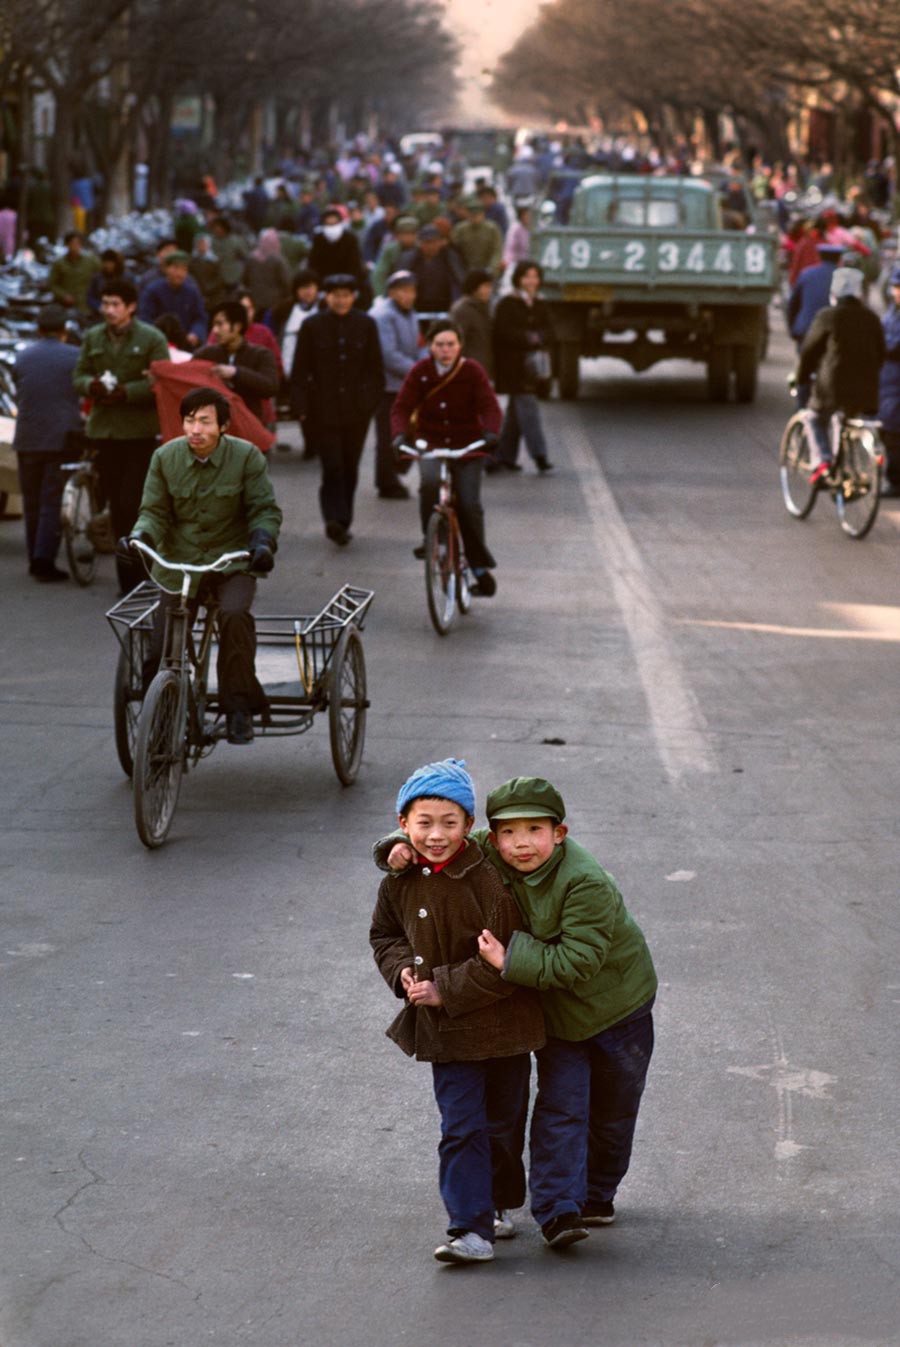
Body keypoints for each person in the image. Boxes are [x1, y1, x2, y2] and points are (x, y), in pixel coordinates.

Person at [376, 775, 658, 1249]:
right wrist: (396, 846)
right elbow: (440, 836)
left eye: (534, 830)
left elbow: (577, 962)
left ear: (559, 834)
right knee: (561, 1108)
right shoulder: (488, 850)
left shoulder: (584, 882)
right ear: (491, 833)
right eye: (507, 831)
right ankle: (557, 1212)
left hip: (615, 1008)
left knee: (612, 1112)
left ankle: (596, 1193)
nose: (520, 843)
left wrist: (510, 960)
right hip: (553, 1014)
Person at [369, 759, 545, 1265]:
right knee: (461, 1126)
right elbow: (385, 935)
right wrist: (402, 971)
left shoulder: (490, 882)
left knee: (505, 1124)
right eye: (424, 823)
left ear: (471, 827)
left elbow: (507, 957)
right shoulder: (398, 882)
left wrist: (445, 987)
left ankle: (499, 1201)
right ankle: (470, 1225)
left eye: (450, 823)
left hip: (505, 1028)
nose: (436, 834)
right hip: (447, 1035)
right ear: (403, 824)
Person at [123, 386, 282, 745]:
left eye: (205, 422)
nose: (195, 429)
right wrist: (141, 537)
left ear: (223, 426)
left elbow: (264, 508)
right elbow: (154, 512)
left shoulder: (247, 457)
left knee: (234, 615)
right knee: (162, 638)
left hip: (232, 562)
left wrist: (262, 541)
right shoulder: (165, 458)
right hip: (179, 565)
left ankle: (238, 706)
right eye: (189, 421)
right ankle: (156, 709)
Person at [391, 319, 501, 597]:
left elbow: (490, 406)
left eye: (451, 344)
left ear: (460, 346)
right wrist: (399, 435)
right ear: (430, 346)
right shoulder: (420, 372)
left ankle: (478, 566)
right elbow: (401, 408)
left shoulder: (472, 371)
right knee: (428, 483)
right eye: (439, 344)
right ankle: (431, 538)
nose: (445, 350)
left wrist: (491, 432)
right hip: (432, 443)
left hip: (468, 446)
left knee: (468, 503)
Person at [72, 279, 169, 593]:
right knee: (116, 505)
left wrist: (128, 392)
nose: (109, 311)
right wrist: (92, 386)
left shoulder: (151, 338)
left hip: (139, 433)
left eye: (115, 305)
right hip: (105, 432)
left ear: (131, 307)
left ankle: (142, 573)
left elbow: (161, 381)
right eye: (105, 304)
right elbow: (79, 375)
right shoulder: (92, 337)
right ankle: (127, 578)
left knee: (134, 504)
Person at [289, 274, 383, 545]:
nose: (341, 300)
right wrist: (301, 406)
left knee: (350, 466)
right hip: (323, 409)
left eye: (346, 295)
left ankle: (344, 520)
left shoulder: (366, 324)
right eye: (335, 295)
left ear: (354, 297)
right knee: (333, 465)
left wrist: (370, 401)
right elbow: (300, 370)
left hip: (357, 409)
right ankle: (332, 518)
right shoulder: (312, 326)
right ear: (326, 297)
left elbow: (375, 369)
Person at [794, 266, 886, 483]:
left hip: (831, 389)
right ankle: (844, 467)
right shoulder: (872, 318)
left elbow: (809, 352)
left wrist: (801, 378)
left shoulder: (827, 316)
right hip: (866, 391)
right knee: (844, 417)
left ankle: (823, 461)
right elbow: (881, 353)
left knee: (814, 416)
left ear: (834, 293)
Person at [12, 304, 83, 581]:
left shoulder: (23, 356)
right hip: (61, 438)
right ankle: (43, 560)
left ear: (39, 329)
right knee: (51, 500)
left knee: (31, 501)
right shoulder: (75, 356)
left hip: (27, 437)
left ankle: (34, 556)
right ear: (64, 331)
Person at [492, 260, 553, 474]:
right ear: (518, 279)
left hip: (532, 366)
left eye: (535, 276)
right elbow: (501, 331)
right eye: (527, 276)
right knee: (528, 408)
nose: (531, 281)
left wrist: (539, 337)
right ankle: (540, 455)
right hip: (511, 365)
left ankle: (502, 457)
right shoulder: (507, 303)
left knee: (516, 414)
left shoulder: (540, 303)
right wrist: (528, 338)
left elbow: (549, 329)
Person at [193, 300, 280, 426]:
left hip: (250, 427)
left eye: (220, 324)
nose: (215, 331)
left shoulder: (261, 354)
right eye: (213, 325)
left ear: (237, 326)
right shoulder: (204, 355)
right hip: (214, 429)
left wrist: (236, 373)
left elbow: (271, 386)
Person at [371, 270, 419, 499]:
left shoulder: (410, 313)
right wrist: (417, 371)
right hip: (387, 385)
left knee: (407, 430)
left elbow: (417, 345)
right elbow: (388, 354)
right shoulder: (383, 315)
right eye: (403, 290)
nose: (408, 295)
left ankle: (396, 470)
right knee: (388, 434)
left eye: (411, 290)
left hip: (405, 384)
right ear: (391, 292)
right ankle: (386, 481)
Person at [139, 251, 208, 348]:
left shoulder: (192, 292)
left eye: (184, 269)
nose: (180, 273)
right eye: (176, 268)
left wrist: (195, 333)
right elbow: (144, 318)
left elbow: (200, 317)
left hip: (186, 343)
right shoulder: (153, 290)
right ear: (166, 269)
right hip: (158, 343)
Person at [308, 207, 367, 304]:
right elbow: (313, 266)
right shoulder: (318, 240)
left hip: (348, 285)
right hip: (324, 288)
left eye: (334, 224)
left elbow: (355, 266)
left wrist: (353, 288)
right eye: (329, 224)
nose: (332, 228)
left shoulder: (350, 239)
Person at [877, 264, 900, 496]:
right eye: (896, 287)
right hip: (888, 381)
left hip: (895, 383)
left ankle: (895, 482)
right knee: (889, 432)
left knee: (894, 435)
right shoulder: (892, 311)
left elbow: (893, 345)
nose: (897, 292)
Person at [450, 270, 494, 377]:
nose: (489, 290)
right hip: (467, 369)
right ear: (474, 287)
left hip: (483, 368)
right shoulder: (462, 310)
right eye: (485, 286)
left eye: (490, 287)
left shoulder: (485, 308)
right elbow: (456, 339)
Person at [243, 228, 292, 320]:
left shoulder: (252, 258)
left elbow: (245, 279)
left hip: (255, 301)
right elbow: (286, 282)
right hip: (274, 303)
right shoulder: (278, 259)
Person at [48, 231, 99, 317]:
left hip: (87, 306)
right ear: (67, 245)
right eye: (72, 243)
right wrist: (63, 295)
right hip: (66, 307)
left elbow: (101, 277)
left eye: (77, 243)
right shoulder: (59, 263)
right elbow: (52, 284)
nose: (75, 246)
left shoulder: (91, 261)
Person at [451, 198, 504, 276]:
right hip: (466, 269)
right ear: (468, 214)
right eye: (472, 215)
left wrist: (492, 268)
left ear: (483, 214)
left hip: (487, 269)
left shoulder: (492, 228)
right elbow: (454, 250)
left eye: (478, 215)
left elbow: (497, 250)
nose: (475, 218)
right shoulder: (460, 229)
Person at [189, 233, 226, 317]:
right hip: (197, 293)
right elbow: (190, 276)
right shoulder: (192, 261)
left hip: (213, 296)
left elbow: (220, 279)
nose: (202, 246)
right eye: (199, 244)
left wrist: (208, 289)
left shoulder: (215, 261)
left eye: (204, 244)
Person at [87, 249, 128, 317]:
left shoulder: (126, 277)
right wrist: (99, 307)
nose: (108, 265)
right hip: (101, 314)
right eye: (105, 263)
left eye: (110, 263)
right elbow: (90, 297)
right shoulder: (97, 278)